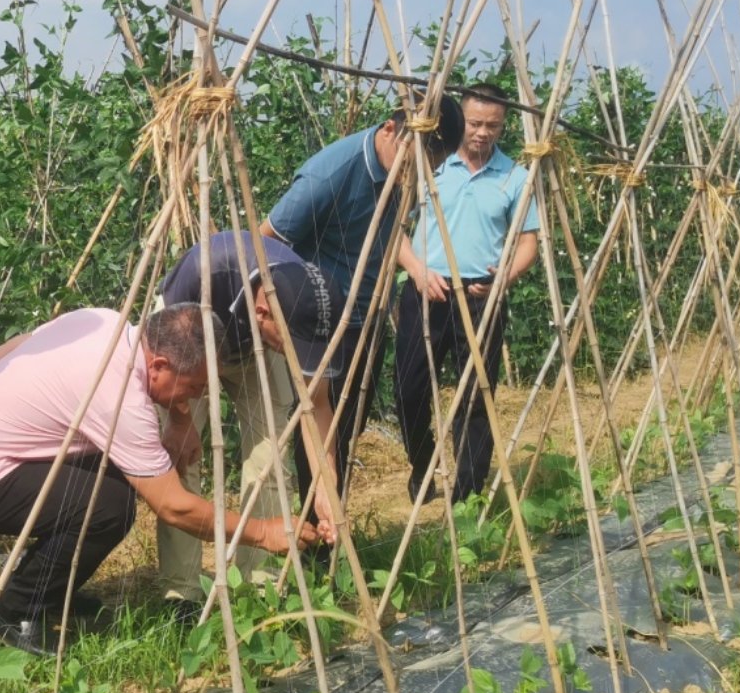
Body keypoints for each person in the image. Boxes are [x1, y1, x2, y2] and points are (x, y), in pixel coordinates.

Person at [0, 304, 328, 653]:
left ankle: (53, 590)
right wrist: (263, 532)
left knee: (120, 483)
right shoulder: (119, 397)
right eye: (195, 385)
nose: (198, 395)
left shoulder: (108, 322)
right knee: (107, 508)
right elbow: (174, 506)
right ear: (158, 365)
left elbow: (17, 345)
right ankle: (16, 611)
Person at [260, 97, 464, 503]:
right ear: (389, 129)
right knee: (318, 429)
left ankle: (333, 519)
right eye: (415, 165)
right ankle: (315, 526)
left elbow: (389, 229)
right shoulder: (331, 174)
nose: (417, 177)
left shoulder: (402, 174)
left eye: (430, 170)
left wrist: (415, 268)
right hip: (321, 326)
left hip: (366, 319)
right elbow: (267, 240)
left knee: (347, 429)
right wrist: (285, 313)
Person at [152, 231, 343, 608]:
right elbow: (168, 353)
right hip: (185, 342)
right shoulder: (205, 271)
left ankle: (260, 584)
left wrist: (326, 484)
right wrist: (179, 418)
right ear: (261, 312)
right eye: (289, 345)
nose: (292, 355)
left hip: (252, 348)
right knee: (181, 458)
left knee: (271, 451)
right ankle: (182, 593)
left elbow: (316, 403)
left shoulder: (303, 300)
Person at [394, 83, 539, 503]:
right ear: (461, 120)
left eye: (492, 125)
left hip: (480, 298)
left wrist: (505, 276)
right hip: (427, 292)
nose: (482, 133)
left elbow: (528, 243)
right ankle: (423, 462)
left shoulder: (514, 177)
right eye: (475, 123)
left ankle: (467, 494)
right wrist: (417, 270)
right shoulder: (431, 166)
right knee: (408, 389)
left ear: (503, 126)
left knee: (476, 396)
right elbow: (394, 230)